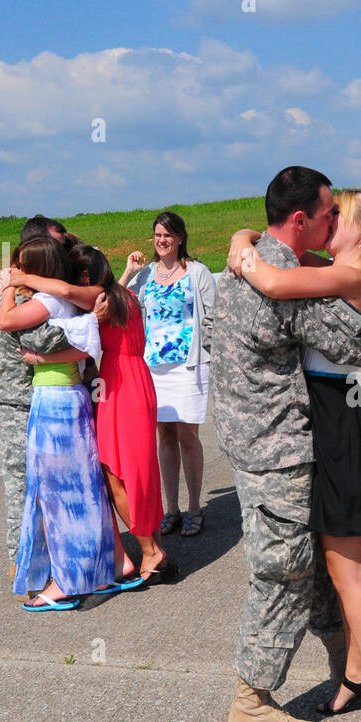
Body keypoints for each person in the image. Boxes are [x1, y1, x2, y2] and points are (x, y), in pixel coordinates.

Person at [208, 165, 361, 722]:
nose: (335, 220)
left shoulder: (240, 265)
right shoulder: (280, 277)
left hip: (244, 439)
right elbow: (358, 342)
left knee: (306, 565)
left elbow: (213, 337)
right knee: (283, 574)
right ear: (299, 220)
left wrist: (242, 243)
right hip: (279, 447)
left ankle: (349, 667)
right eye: (328, 213)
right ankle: (252, 704)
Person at [5, 245, 170, 584]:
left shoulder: (101, 298)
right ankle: (152, 547)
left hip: (120, 384)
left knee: (116, 471)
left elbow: (65, 294)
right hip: (130, 380)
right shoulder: (122, 294)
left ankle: (151, 551)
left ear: (84, 276)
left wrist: (19, 278)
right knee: (133, 468)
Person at [0, 237, 116, 609]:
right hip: (75, 398)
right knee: (84, 489)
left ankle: (64, 581)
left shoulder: (47, 302)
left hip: (54, 404)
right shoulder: (71, 298)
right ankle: (97, 568)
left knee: (53, 493)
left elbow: (5, 321)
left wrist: (8, 286)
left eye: (21, 265)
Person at [0, 224, 77, 587]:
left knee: (31, 485)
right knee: (22, 485)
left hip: (20, 397)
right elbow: (51, 340)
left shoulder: (20, 294)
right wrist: (92, 318)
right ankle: (24, 567)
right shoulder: (22, 302)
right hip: (14, 402)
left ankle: (36, 562)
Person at [122, 212, 216, 537]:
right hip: (154, 369)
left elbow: (214, 319)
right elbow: (119, 305)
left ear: (180, 238)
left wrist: (215, 359)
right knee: (164, 436)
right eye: (157, 235)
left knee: (188, 436)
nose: (162, 240)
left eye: (168, 235)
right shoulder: (146, 274)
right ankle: (171, 508)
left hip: (188, 367)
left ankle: (194, 507)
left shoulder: (197, 272)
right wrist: (129, 272)